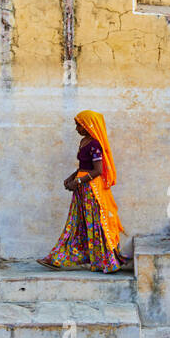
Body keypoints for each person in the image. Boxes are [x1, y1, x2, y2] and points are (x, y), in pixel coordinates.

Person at [39, 109, 130, 273]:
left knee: (95, 223)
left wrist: (78, 181)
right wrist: (71, 178)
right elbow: (83, 167)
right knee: (76, 222)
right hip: (82, 189)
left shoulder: (95, 144)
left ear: (87, 125)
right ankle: (59, 258)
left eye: (78, 125)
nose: (76, 129)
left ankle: (106, 261)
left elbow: (97, 170)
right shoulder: (84, 142)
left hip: (92, 190)